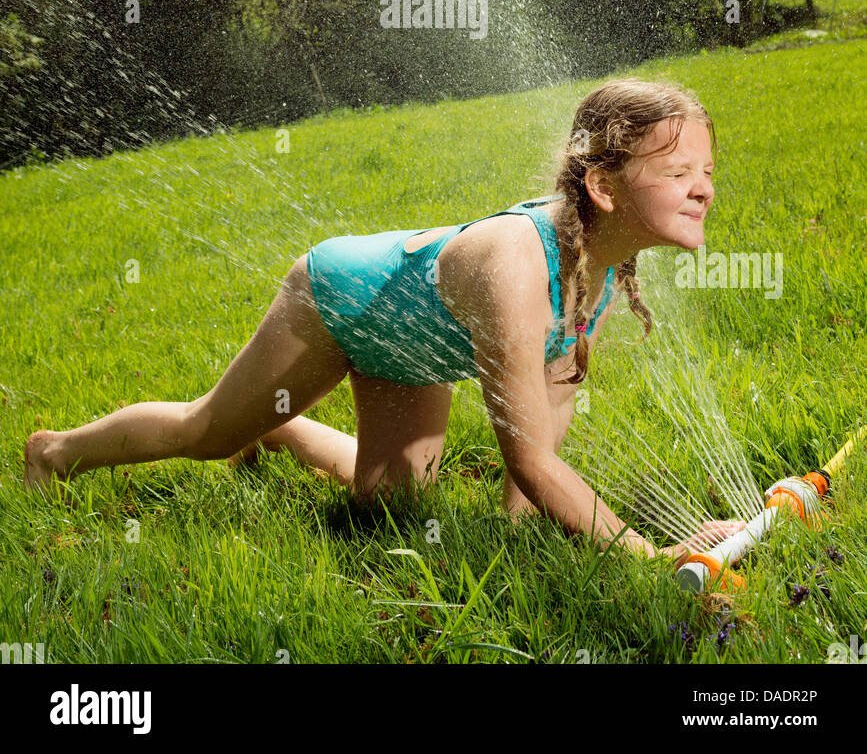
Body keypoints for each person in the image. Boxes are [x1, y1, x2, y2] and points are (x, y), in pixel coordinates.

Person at [23, 76, 746, 563]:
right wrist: (652, 559)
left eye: (707, 173)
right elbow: (529, 459)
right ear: (602, 186)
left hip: (412, 349)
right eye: (678, 174)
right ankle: (54, 452)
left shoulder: (600, 264)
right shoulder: (516, 266)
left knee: (390, 509)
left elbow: (548, 405)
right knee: (208, 435)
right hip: (345, 302)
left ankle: (279, 423)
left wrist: (530, 531)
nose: (702, 191)